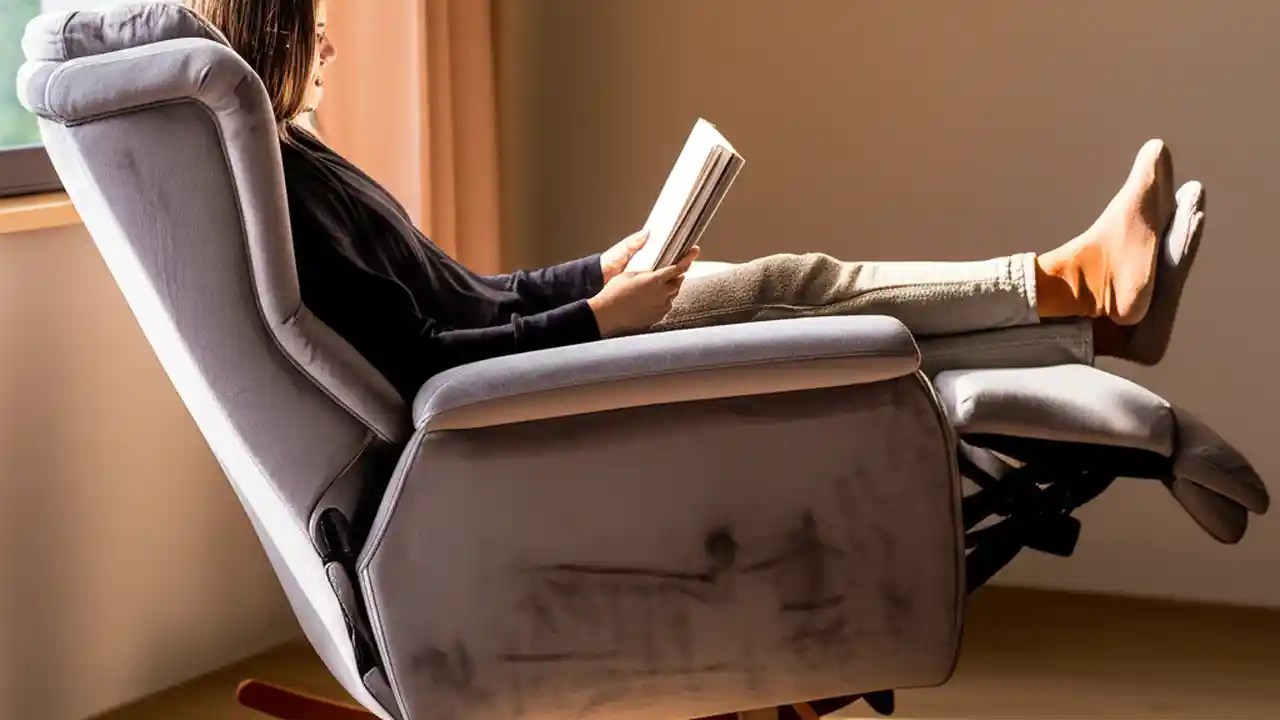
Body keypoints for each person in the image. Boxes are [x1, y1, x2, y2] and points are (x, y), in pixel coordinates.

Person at [189, 1, 1206, 717]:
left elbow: (470, 298)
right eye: (312, 16)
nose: (331, 36)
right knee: (797, 290)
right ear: (268, 25)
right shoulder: (287, 196)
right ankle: (1072, 290)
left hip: (533, 378)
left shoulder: (295, 159)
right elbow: (424, 369)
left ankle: (1092, 317)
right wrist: (599, 319)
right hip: (522, 411)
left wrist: (605, 267)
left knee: (809, 293)